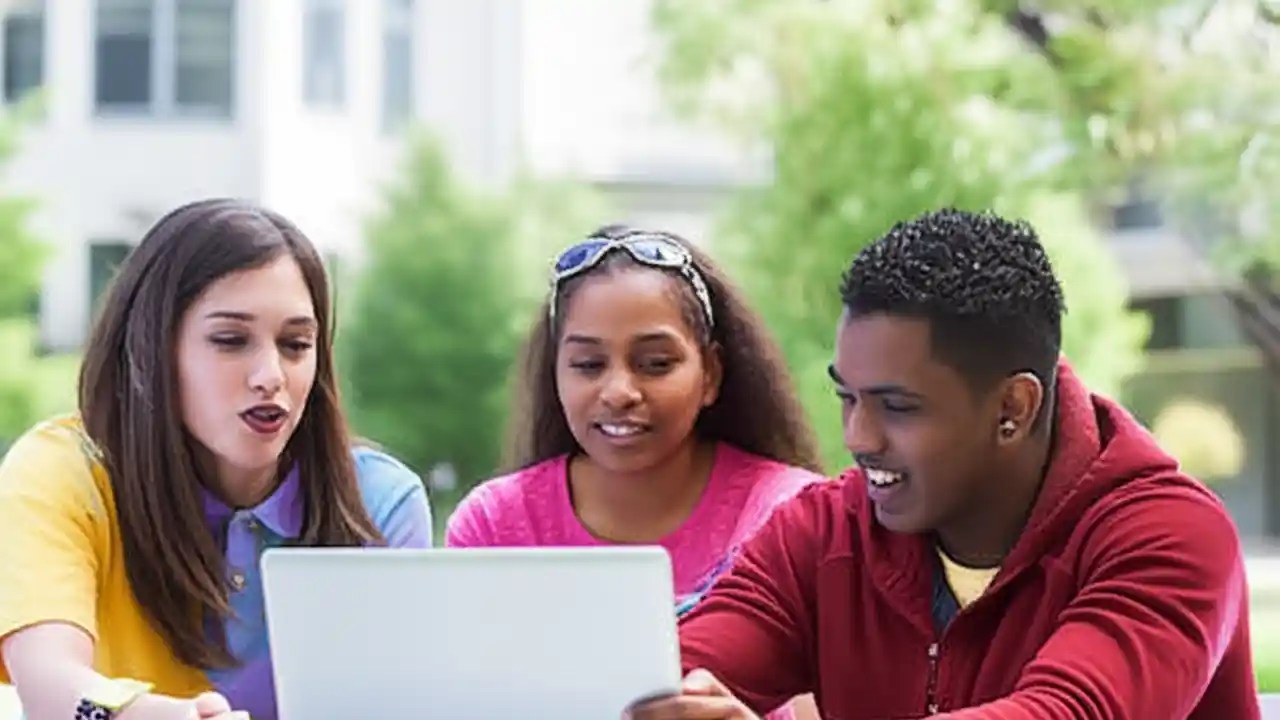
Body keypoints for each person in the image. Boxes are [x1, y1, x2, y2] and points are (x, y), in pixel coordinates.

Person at [626, 208, 1260, 719]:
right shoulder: (824, 534)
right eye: (847, 397)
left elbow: (1069, 710)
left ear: (1012, 407)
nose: (857, 436)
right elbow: (664, 682)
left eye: (897, 407)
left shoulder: (1171, 536)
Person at [0, 199, 433, 720]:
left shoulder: (381, 504)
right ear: (152, 348)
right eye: (231, 341)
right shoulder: (60, 475)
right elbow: (50, 691)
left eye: (296, 345)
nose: (271, 375)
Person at [446, 225, 826, 718]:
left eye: (654, 363)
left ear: (710, 373)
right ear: (555, 374)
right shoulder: (493, 524)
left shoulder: (797, 515)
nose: (619, 390)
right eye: (587, 364)